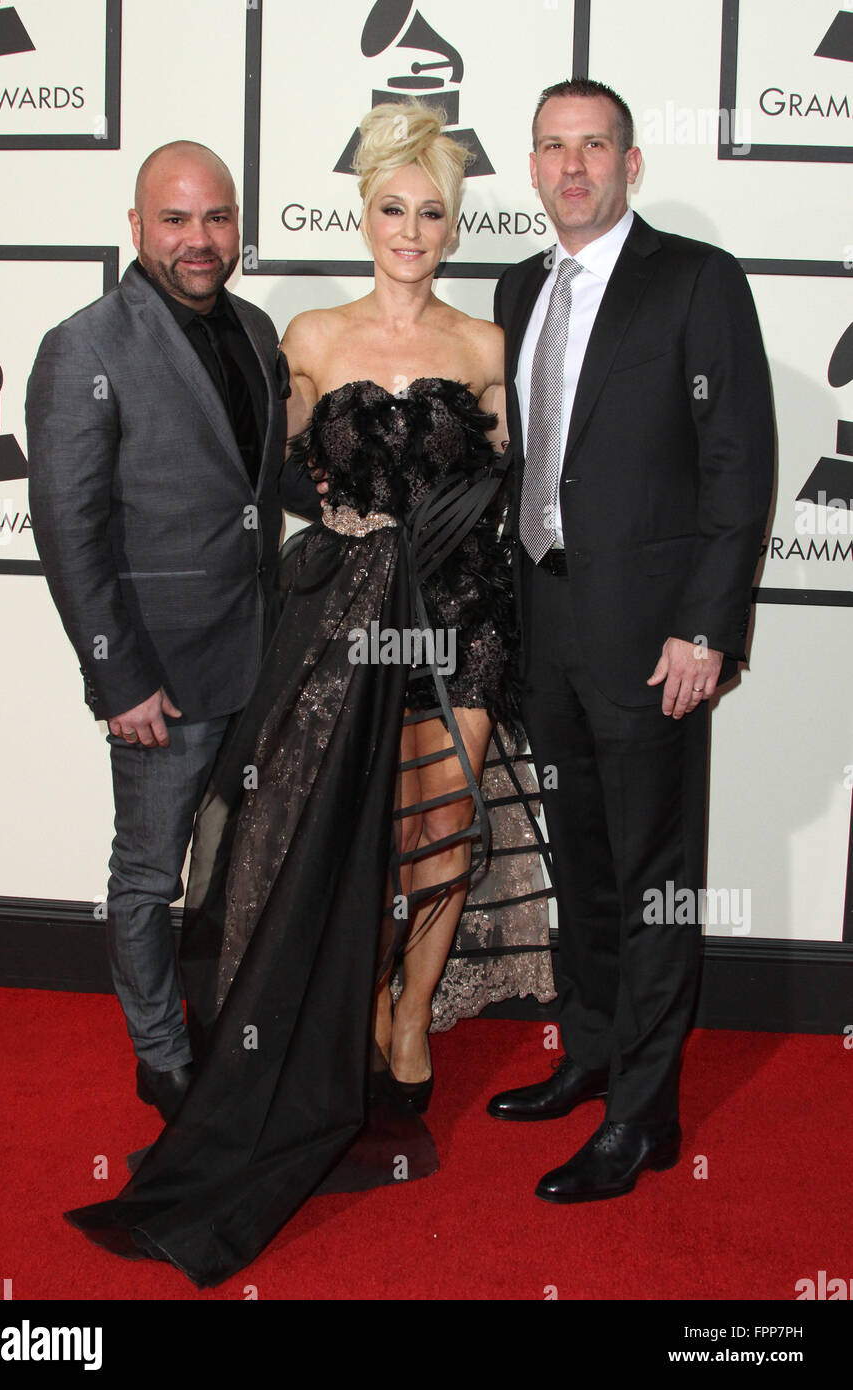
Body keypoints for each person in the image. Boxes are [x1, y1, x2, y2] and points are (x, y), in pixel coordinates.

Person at [63, 101, 554, 1287]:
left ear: (452, 224)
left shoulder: (488, 343)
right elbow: (264, 479)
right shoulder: (307, 335)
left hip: (462, 624)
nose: (412, 229)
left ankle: (404, 1028)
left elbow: (508, 487)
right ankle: (320, 1025)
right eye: (393, 206)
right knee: (353, 844)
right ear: (364, 211)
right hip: (345, 626)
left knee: (440, 841)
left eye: (433, 211)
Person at [487, 78, 774, 1202]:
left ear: (629, 162)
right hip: (545, 622)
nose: (571, 167)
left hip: (653, 638)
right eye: (552, 147)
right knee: (583, 861)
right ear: (532, 164)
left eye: (592, 145)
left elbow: (737, 466)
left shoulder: (694, 280)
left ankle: (642, 1117)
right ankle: (592, 1052)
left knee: (654, 876)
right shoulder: (517, 287)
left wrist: (705, 627)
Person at [26, 141, 320, 1123]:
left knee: (243, 865)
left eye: (217, 218)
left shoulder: (252, 326)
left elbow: (269, 476)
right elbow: (71, 529)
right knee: (149, 875)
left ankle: (234, 1025)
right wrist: (119, 680)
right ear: (138, 227)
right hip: (159, 674)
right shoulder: (86, 346)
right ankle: (161, 1057)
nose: (200, 240)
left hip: (260, 654)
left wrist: (365, 495)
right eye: (176, 219)